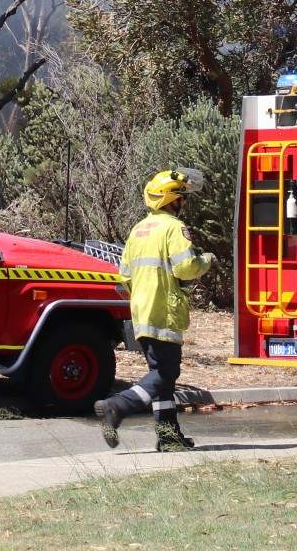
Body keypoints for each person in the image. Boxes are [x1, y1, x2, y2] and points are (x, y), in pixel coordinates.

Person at [95, 168, 215, 452]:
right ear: (172, 200)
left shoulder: (138, 230)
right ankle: (117, 406)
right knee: (165, 373)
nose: (184, 203)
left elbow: (124, 277)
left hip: (142, 312)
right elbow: (186, 267)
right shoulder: (173, 227)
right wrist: (206, 260)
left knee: (162, 377)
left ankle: (169, 437)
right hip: (164, 311)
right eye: (182, 198)